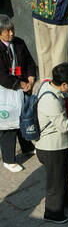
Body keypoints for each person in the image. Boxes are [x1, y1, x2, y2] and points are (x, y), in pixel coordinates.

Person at [35, 62, 68, 223]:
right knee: (55, 180)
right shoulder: (51, 102)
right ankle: (52, 212)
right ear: (63, 84)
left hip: (56, 145)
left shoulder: (47, 84)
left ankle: (67, 200)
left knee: (64, 171)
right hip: (50, 147)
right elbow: (64, 126)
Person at [0, 14, 37, 171]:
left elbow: (29, 62)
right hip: (7, 91)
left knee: (24, 118)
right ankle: (8, 159)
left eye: (12, 30)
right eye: (7, 31)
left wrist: (31, 78)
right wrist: (19, 84)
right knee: (8, 126)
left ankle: (27, 146)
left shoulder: (19, 43)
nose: (11, 34)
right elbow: (1, 75)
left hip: (22, 88)